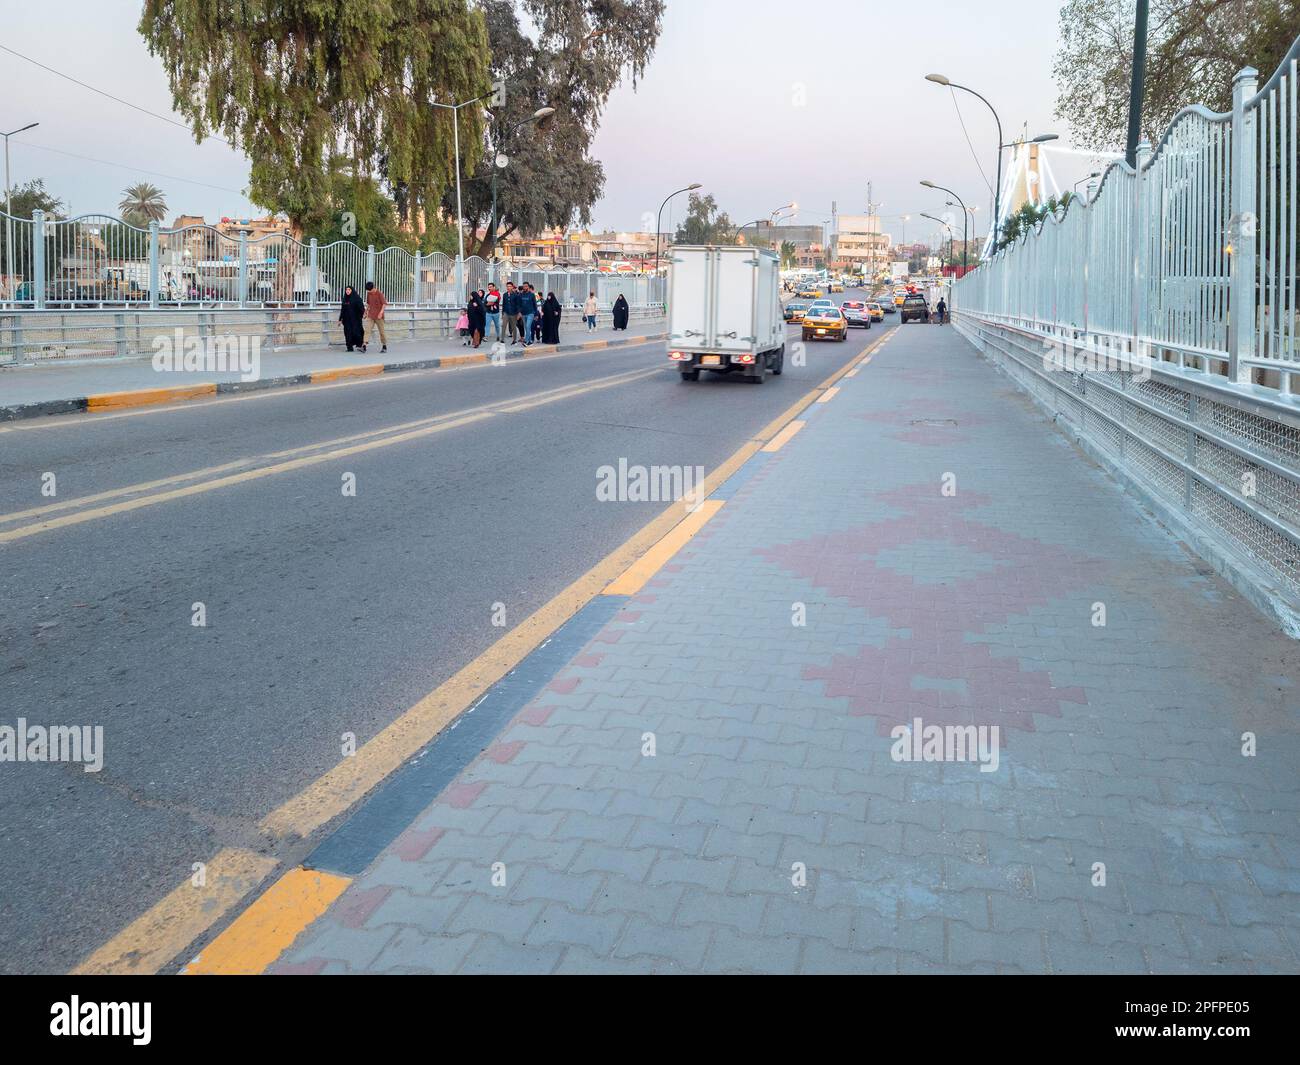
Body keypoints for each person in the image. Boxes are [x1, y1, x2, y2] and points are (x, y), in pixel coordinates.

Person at [339, 285, 366, 351]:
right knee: (347, 333)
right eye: (346, 290)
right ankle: (349, 347)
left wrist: (364, 314)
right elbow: (342, 310)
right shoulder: (345, 299)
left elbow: (361, 308)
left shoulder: (357, 298)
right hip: (347, 320)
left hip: (356, 320)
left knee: (357, 332)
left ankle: (360, 345)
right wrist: (340, 319)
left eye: (349, 290)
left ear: (352, 291)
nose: (347, 291)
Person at [364, 280, 388, 353]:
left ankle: (384, 346)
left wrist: (381, 313)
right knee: (367, 330)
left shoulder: (379, 294)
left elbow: (384, 304)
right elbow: (368, 304)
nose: (369, 292)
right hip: (371, 315)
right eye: (368, 291)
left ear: (373, 288)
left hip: (379, 316)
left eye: (370, 291)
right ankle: (364, 346)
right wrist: (365, 312)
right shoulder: (369, 294)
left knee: (382, 332)